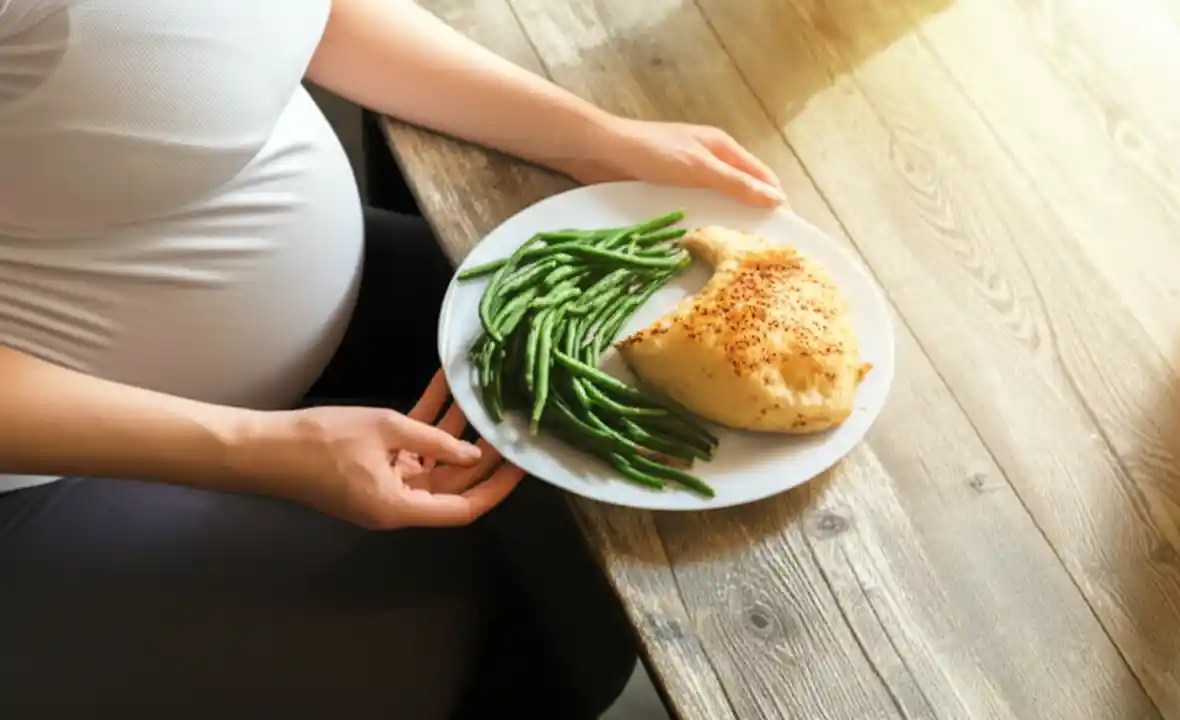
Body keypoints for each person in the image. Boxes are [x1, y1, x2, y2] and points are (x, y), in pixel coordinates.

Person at [0, 0, 785, 716]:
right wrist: (262, 451)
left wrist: (589, 137)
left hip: (296, 314)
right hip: (55, 472)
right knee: (478, 611)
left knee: (601, 527)